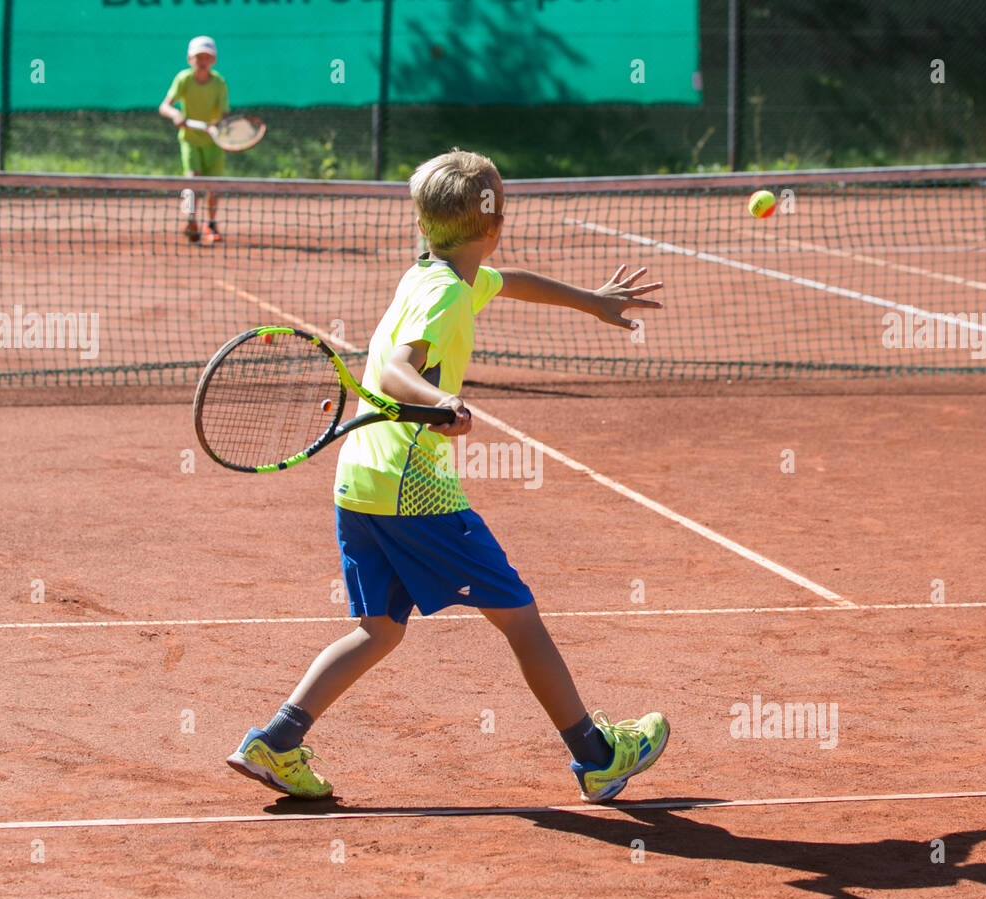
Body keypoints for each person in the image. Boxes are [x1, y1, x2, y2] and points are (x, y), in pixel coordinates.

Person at [226, 149, 670, 803]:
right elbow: (400, 368)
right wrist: (437, 402)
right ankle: (598, 756)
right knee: (520, 619)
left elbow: (508, 281)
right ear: (496, 225)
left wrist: (590, 301)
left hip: (362, 480)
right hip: (416, 491)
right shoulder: (445, 298)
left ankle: (278, 740)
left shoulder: (435, 274)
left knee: (378, 629)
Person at [158, 35, 228, 244]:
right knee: (191, 181)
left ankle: (211, 224)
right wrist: (175, 115)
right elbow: (164, 106)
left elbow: (224, 115)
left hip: (214, 142)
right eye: (199, 56)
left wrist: (217, 127)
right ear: (190, 58)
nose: (202, 60)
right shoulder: (184, 79)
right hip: (189, 139)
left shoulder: (219, 84)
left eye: (207, 57)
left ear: (213, 60)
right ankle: (190, 220)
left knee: (213, 186)